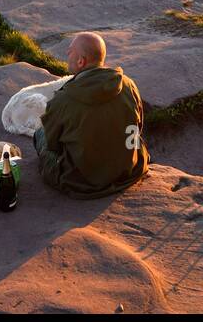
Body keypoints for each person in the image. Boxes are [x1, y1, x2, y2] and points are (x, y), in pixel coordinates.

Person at [33, 31, 150, 199]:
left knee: (40, 134)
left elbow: (53, 145)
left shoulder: (63, 100)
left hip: (82, 183)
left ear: (81, 61)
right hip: (131, 169)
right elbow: (138, 126)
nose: (67, 53)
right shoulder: (128, 85)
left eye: (70, 51)